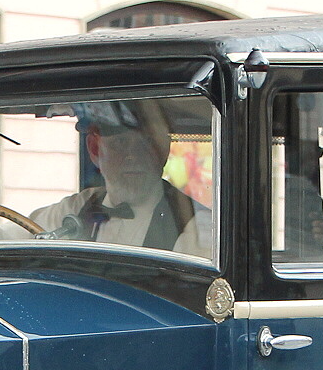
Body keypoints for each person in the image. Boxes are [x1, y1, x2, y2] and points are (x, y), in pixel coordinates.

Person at [27, 108, 214, 258]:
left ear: (164, 150)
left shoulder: (195, 228)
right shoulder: (76, 208)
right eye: (120, 143)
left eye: (146, 144)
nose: (133, 156)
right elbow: (18, 233)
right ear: (94, 149)